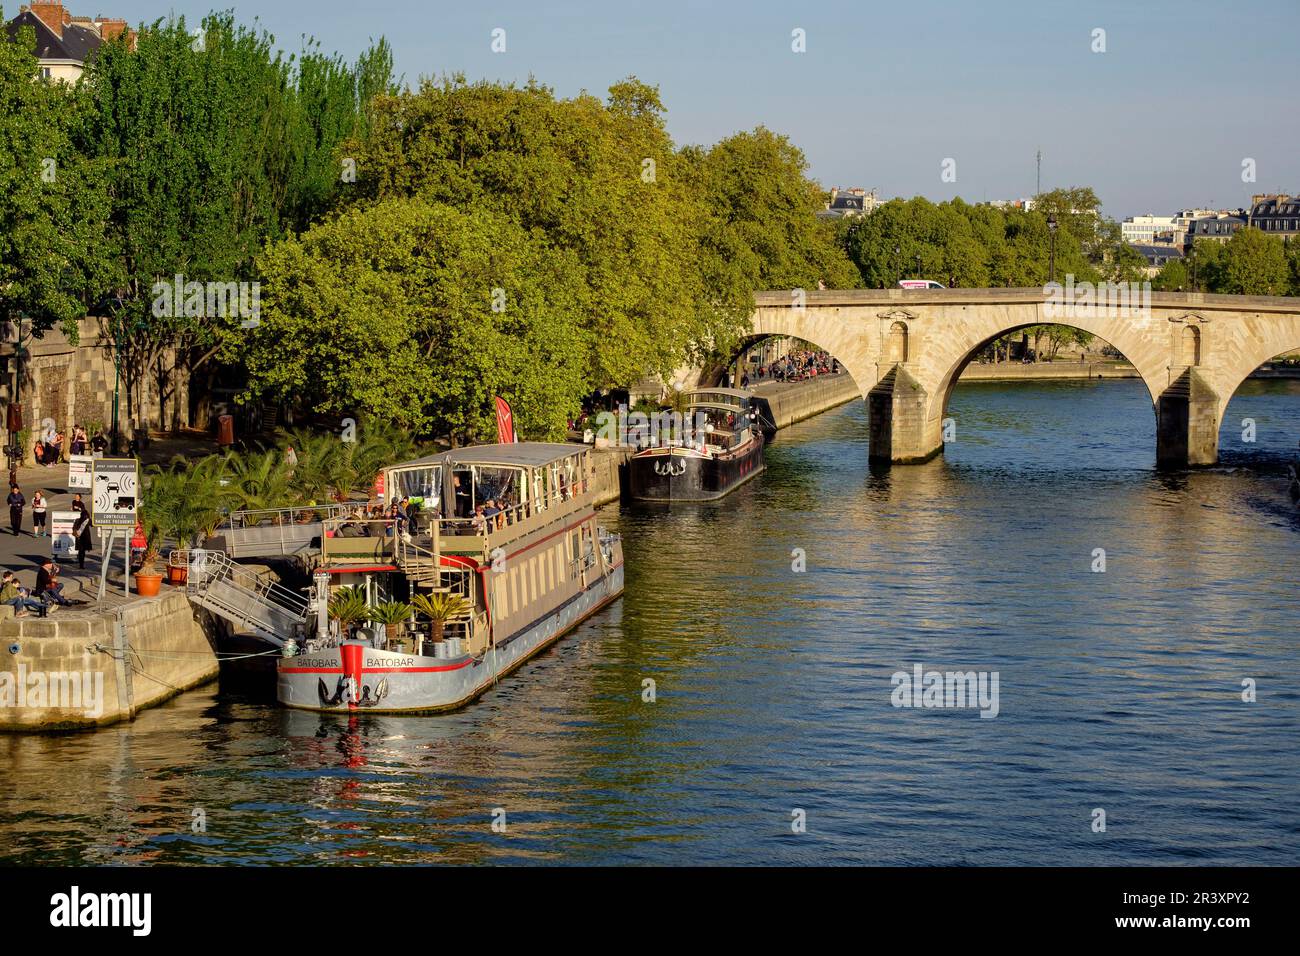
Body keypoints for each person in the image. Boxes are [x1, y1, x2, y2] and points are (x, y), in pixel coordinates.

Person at [72, 501, 93, 569]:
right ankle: (81, 565)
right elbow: (93, 525)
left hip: (79, 537)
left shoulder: (77, 520)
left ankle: (81, 565)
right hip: (85, 538)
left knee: (80, 551)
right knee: (83, 552)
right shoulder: (88, 520)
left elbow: (74, 528)